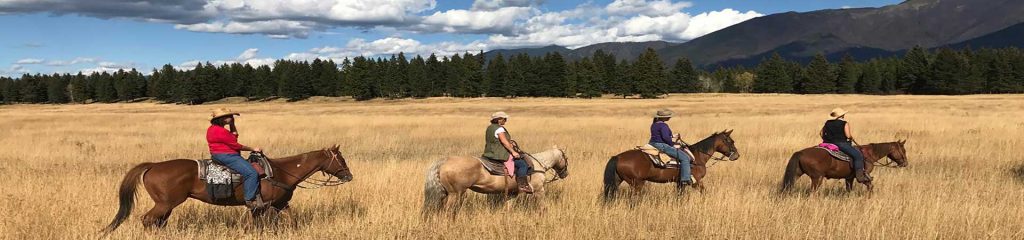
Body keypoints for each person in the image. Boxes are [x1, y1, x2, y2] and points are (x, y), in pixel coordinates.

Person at [206, 108, 265, 209]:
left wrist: (232, 124)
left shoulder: (213, 129)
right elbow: (236, 145)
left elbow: (234, 137)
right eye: (229, 116)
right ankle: (250, 199)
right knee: (251, 173)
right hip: (227, 156)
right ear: (222, 119)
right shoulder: (220, 131)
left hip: (220, 155)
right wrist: (253, 149)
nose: (231, 118)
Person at [482, 111, 533, 193]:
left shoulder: (490, 127)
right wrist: (513, 152)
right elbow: (504, 142)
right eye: (504, 119)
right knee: (522, 164)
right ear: (499, 120)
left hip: (489, 153)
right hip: (499, 154)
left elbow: (496, 140)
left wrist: (510, 142)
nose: (506, 120)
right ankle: (523, 186)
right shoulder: (499, 129)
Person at [821, 108, 871, 182]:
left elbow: (821, 133)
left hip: (827, 143)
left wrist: (827, 139)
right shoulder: (844, 123)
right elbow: (848, 136)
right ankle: (860, 176)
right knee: (858, 155)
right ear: (842, 115)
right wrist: (851, 137)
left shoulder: (827, 123)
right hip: (841, 144)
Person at [649, 109, 694, 186]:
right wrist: (673, 144)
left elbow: (660, 136)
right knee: (685, 158)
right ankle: (685, 179)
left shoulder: (654, 124)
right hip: (662, 145)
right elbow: (666, 138)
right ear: (663, 117)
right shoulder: (663, 125)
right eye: (668, 116)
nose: (669, 118)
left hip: (653, 143)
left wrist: (672, 136)